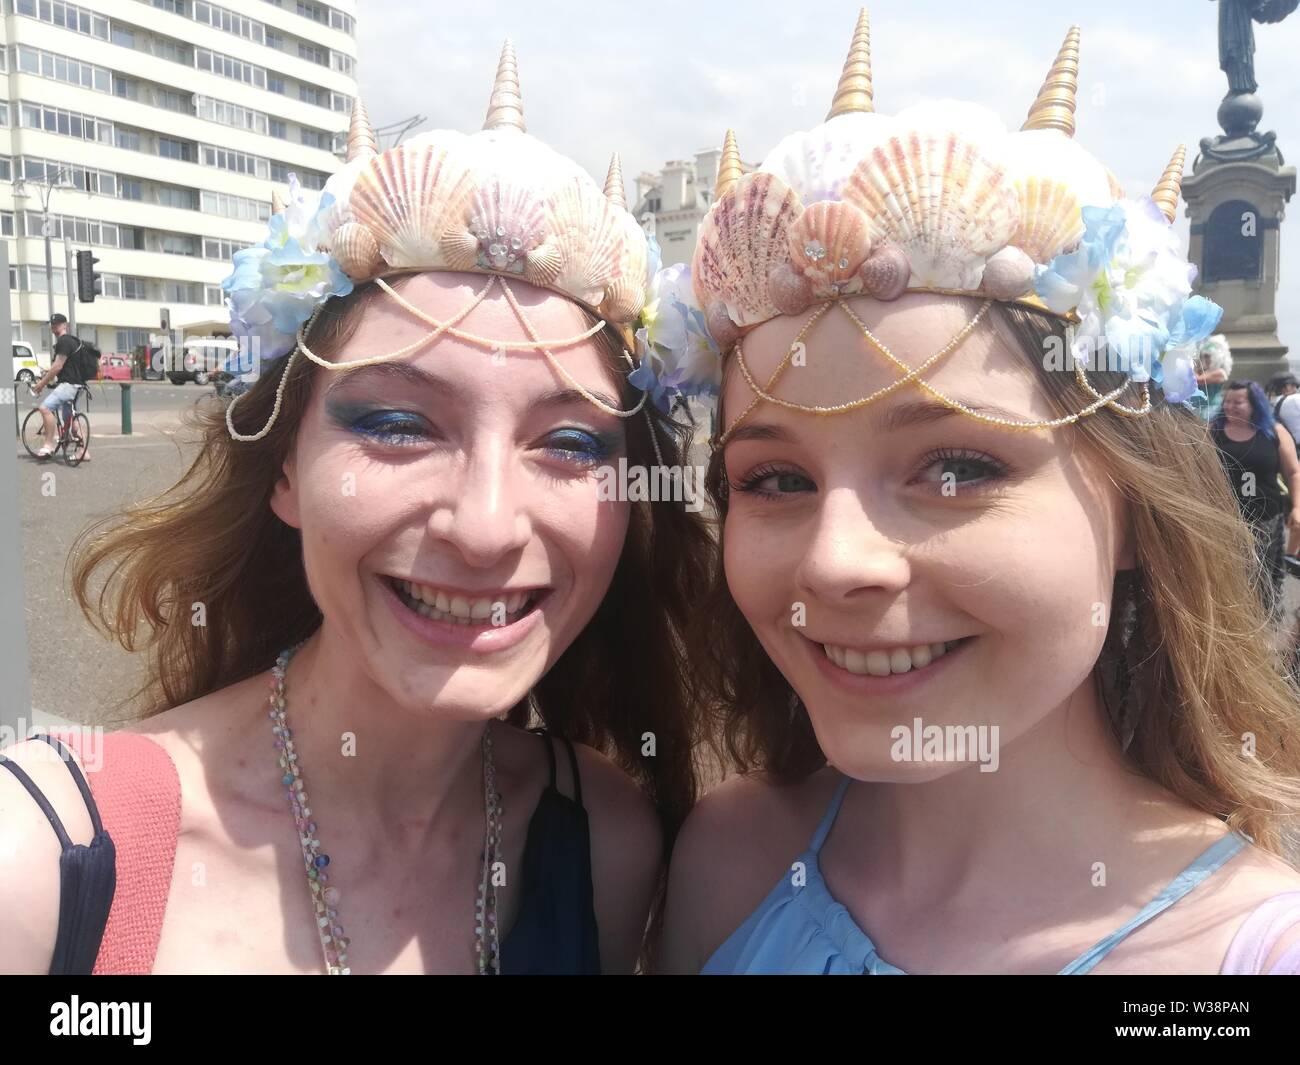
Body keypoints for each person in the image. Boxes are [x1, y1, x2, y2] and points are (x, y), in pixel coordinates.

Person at [0, 42, 711, 975]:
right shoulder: (46, 866)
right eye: (399, 424)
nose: (487, 524)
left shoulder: (609, 848)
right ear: (285, 470)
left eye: (572, 444)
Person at [652, 14, 1300, 974]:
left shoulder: (1244, 962)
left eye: (955, 469)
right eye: (775, 478)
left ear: (1135, 498)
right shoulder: (732, 861)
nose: (835, 560)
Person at [1212, 380, 1300, 618]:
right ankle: (1231, 622)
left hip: (1265, 520)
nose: (1231, 407)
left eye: (1238, 402)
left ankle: (1262, 628)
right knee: (1228, 576)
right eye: (1227, 401)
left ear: (1254, 404)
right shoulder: (1213, 431)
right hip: (1225, 520)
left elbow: (1293, 472)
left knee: (1263, 578)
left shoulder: (1273, 432)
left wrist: (1297, 507)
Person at [30, 313, 91, 461]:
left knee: (45, 408)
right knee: (70, 418)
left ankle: (48, 445)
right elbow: (66, 366)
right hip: (79, 385)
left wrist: (41, 384)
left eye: (57, 324)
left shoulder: (63, 341)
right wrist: (49, 376)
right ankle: (83, 451)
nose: (53, 327)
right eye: (52, 324)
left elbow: (58, 366)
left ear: (65, 325)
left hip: (69, 385)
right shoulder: (74, 341)